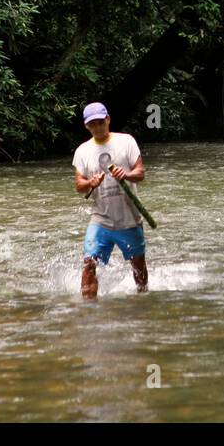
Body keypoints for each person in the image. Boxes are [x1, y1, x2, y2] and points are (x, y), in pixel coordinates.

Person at [73, 102, 147, 299]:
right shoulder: (82, 151)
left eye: (100, 122)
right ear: (87, 126)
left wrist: (127, 175)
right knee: (89, 263)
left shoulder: (126, 141)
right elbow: (79, 186)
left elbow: (140, 173)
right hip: (101, 218)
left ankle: (143, 301)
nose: (97, 127)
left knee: (139, 269)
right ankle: (89, 309)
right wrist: (90, 182)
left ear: (108, 119)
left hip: (129, 217)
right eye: (92, 124)